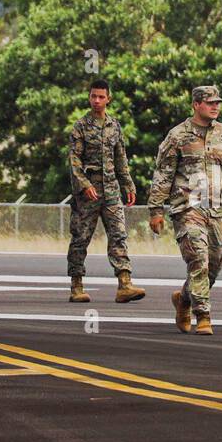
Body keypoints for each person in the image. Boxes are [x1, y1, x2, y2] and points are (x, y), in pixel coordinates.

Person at [147, 85, 222, 336]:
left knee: (215, 264)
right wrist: (155, 210)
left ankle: (183, 299)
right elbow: (163, 175)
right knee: (199, 260)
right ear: (196, 104)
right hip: (187, 208)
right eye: (210, 102)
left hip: (217, 210)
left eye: (218, 102)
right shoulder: (178, 136)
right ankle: (203, 315)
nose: (216, 106)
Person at [66, 79, 145, 303]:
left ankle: (124, 283)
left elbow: (121, 158)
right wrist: (84, 185)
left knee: (119, 235)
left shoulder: (114, 126)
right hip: (88, 193)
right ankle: (77, 284)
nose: (97, 101)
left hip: (111, 191)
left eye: (101, 97)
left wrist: (128, 184)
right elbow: (73, 161)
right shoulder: (80, 126)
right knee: (80, 238)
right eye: (93, 96)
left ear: (108, 98)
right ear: (89, 97)